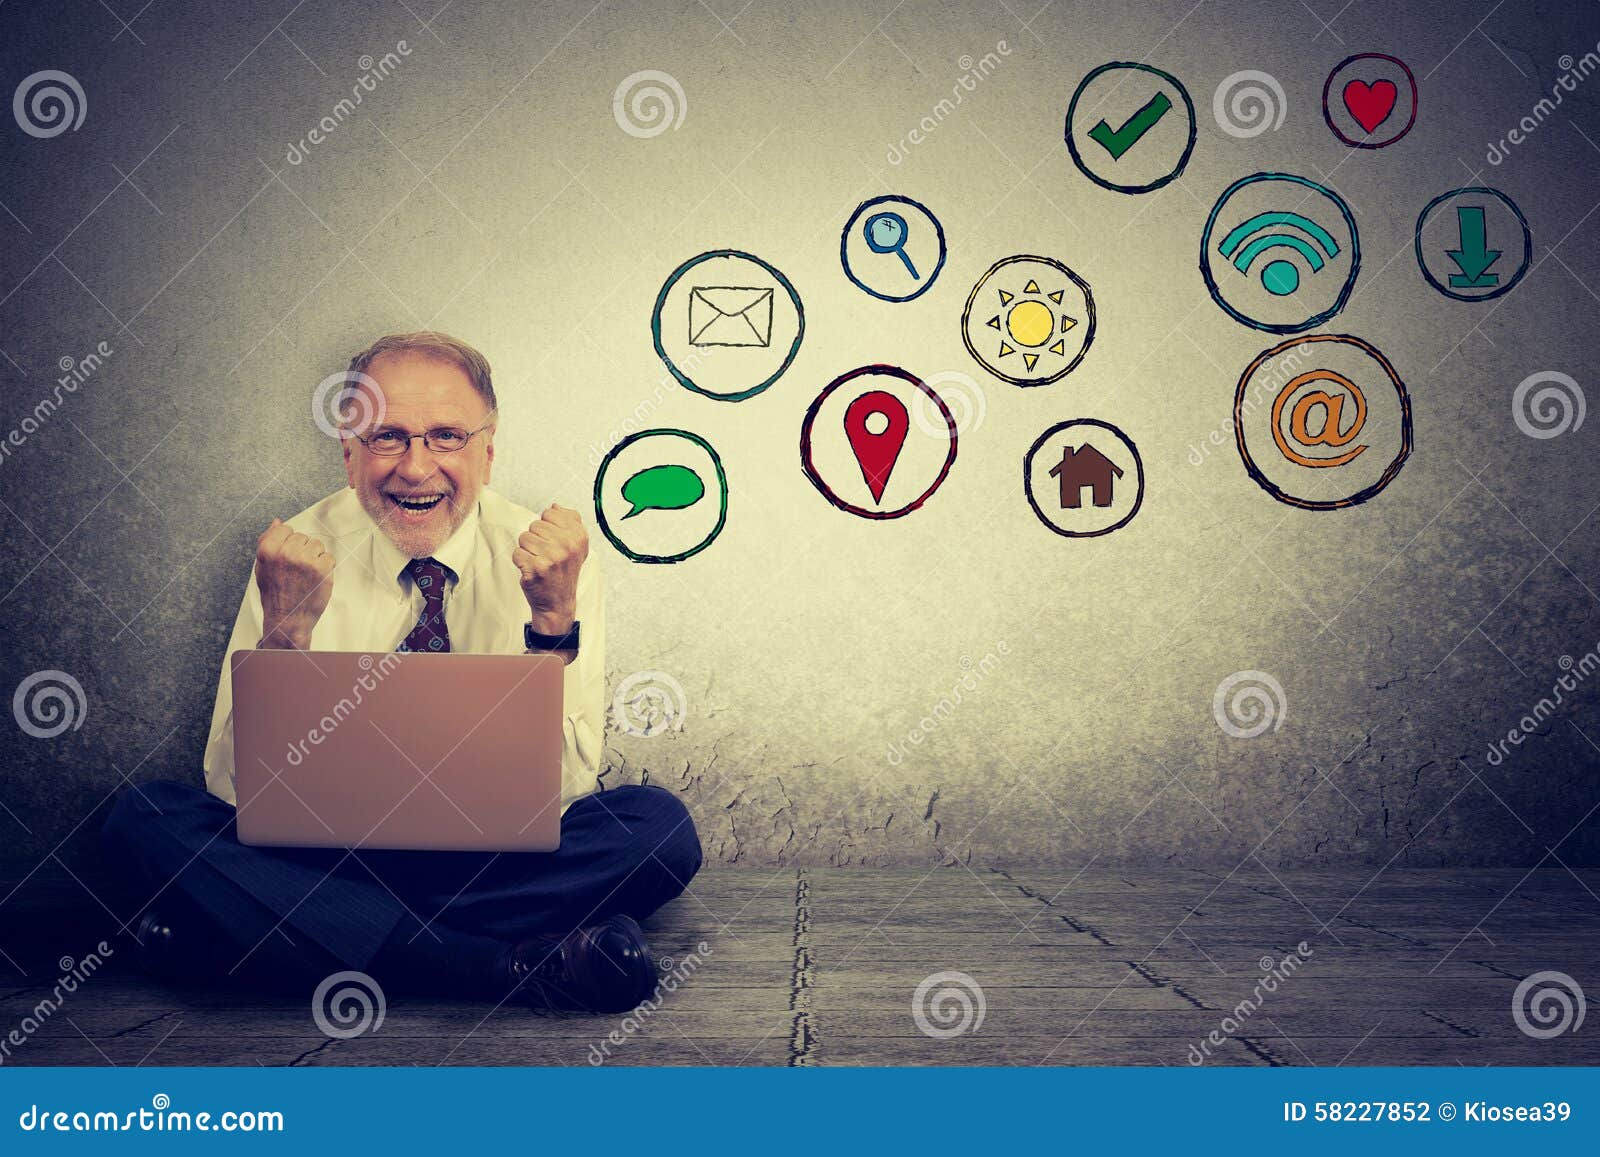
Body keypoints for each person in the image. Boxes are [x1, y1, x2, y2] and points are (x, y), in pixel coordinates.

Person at [100, 332, 703, 1014]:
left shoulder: (551, 557)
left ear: (488, 450)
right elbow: (235, 786)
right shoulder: (295, 550)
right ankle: (503, 964)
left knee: (658, 830)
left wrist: (552, 625)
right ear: (349, 453)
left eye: (446, 436)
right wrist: (287, 631)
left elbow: (564, 788)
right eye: (388, 438)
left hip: (484, 863)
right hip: (326, 857)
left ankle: (258, 940)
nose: (416, 468)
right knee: (143, 817)